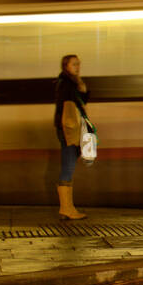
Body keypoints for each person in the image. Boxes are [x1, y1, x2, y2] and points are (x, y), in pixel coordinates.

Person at [54, 54, 90, 221]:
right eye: (74, 64)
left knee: (69, 166)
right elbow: (69, 109)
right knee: (68, 167)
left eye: (79, 64)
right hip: (69, 130)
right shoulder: (66, 84)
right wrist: (71, 132)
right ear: (66, 66)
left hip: (71, 129)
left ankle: (67, 208)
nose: (78, 67)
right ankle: (66, 208)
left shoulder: (71, 83)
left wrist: (83, 89)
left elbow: (82, 102)